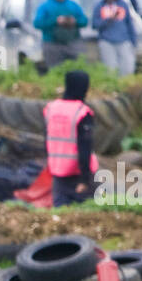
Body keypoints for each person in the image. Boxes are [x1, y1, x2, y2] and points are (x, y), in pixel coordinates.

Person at [44, 69, 98, 207]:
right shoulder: (82, 111)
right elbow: (85, 146)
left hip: (58, 171)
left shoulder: (51, 108)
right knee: (89, 215)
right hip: (78, 173)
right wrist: (84, 179)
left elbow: (48, 139)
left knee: (61, 215)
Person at [33, 0, 87, 69]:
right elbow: (37, 23)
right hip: (52, 44)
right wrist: (56, 20)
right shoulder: (45, 6)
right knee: (55, 70)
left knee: (78, 69)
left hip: (72, 42)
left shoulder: (72, 5)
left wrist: (74, 21)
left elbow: (84, 21)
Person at [92, 0, 136, 77]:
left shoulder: (123, 5)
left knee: (127, 66)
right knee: (110, 68)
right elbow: (95, 24)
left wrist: (133, 40)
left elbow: (129, 24)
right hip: (107, 40)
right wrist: (108, 19)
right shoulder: (99, 6)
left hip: (123, 39)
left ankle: (126, 84)